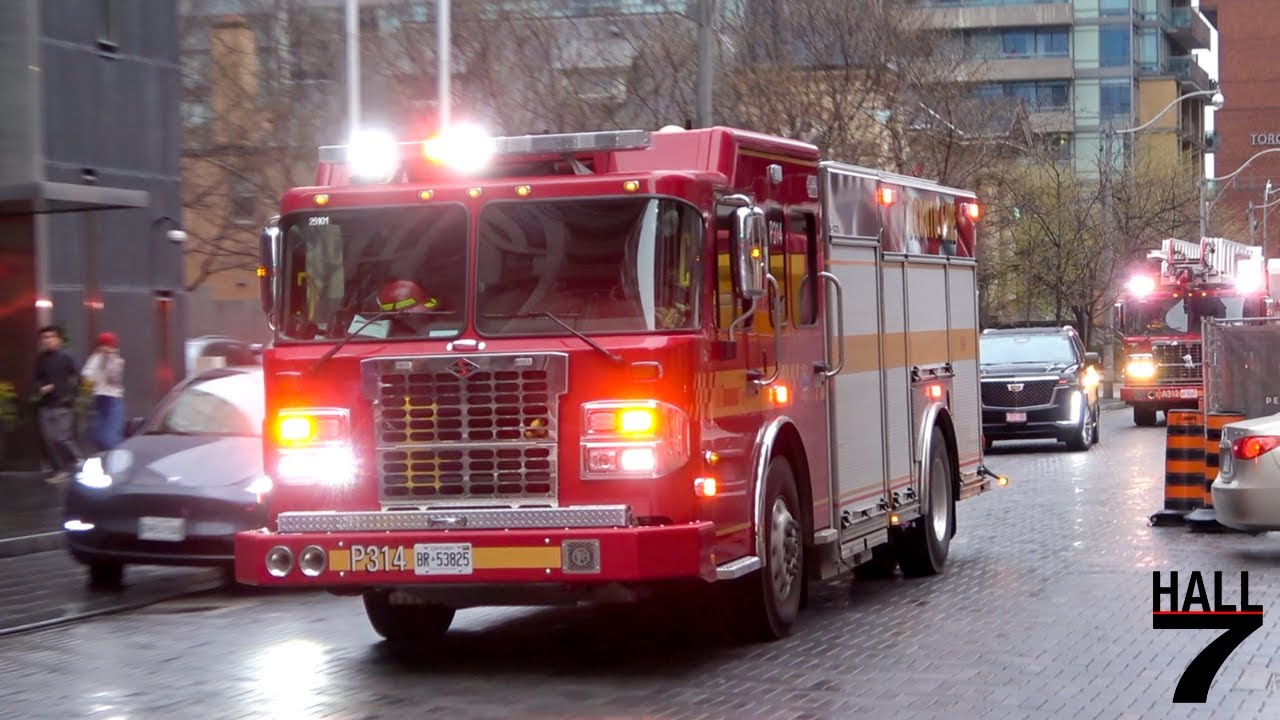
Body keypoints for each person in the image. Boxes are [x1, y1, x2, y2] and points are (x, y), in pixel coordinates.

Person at [34, 325, 82, 482]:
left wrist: (71, 395)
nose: (48, 340)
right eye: (45, 337)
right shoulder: (41, 359)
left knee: (61, 437)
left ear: (59, 339)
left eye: (51, 337)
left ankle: (78, 461)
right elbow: (37, 379)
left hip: (63, 404)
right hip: (46, 404)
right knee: (48, 439)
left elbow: (78, 378)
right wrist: (41, 388)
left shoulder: (66, 357)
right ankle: (60, 470)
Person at [82, 331, 126, 451]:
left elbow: (114, 378)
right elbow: (87, 375)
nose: (105, 348)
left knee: (110, 435)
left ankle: (117, 457)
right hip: (98, 398)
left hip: (112, 399)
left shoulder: (117, 360)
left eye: (108, 345)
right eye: (102, 345)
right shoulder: (94, 359)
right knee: (96, 434)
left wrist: (109, 359)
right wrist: (86, 393)